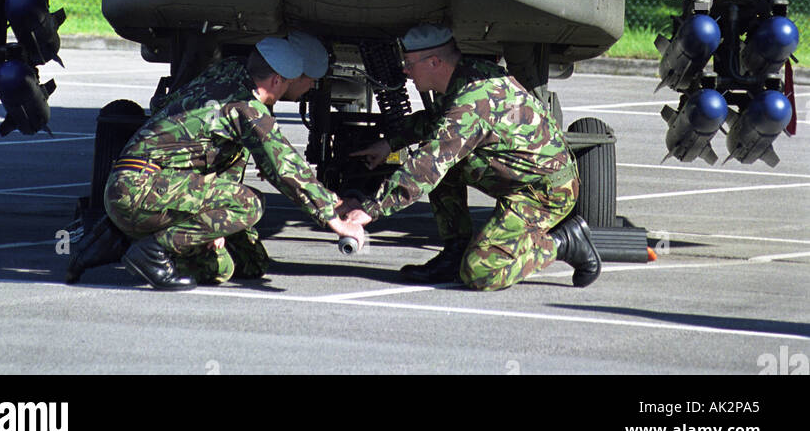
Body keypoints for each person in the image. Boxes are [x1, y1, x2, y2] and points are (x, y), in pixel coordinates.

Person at [348, 24, 601, 291]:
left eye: (409, 63)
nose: (405, 71)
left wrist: (369, 209)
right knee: (439, 154)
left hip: (544, 192)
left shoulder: (473, 100)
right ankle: (455, 252)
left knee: (480, 272)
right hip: (518, 178)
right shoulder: (467, 76)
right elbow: (438, 123)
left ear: (434, 62)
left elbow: (427, 166)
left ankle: (564, 243)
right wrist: (390, 143)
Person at [104, 32, 358, 290]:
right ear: (278, 79)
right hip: (141, 188)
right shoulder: (246, 107)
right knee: (249, 204)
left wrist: (212, 223)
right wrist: (332, 217)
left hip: (152, 185)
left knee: (245, 263)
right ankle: (152, 251)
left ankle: (123, 244)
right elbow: (284, 167)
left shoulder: (232, 73)